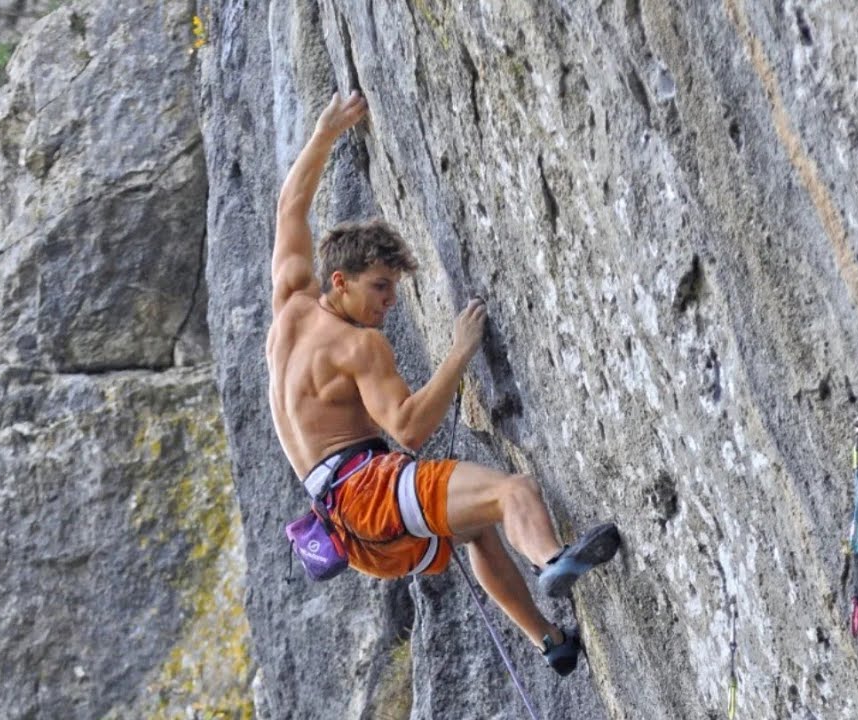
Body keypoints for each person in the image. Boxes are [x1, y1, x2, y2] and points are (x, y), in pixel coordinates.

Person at [265, 91, 621, 675]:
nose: (389, 302)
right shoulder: (359, 345)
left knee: (479, 529)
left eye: (393, 289)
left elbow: (291, 211)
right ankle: (551, 560)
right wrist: (458, 354)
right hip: (368, 495)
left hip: (348, 533)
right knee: (514, 493)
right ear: (342, 281)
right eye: (380, 286)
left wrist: (324, 134)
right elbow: (407, 426)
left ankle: (550, 639)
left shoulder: (288, 311)